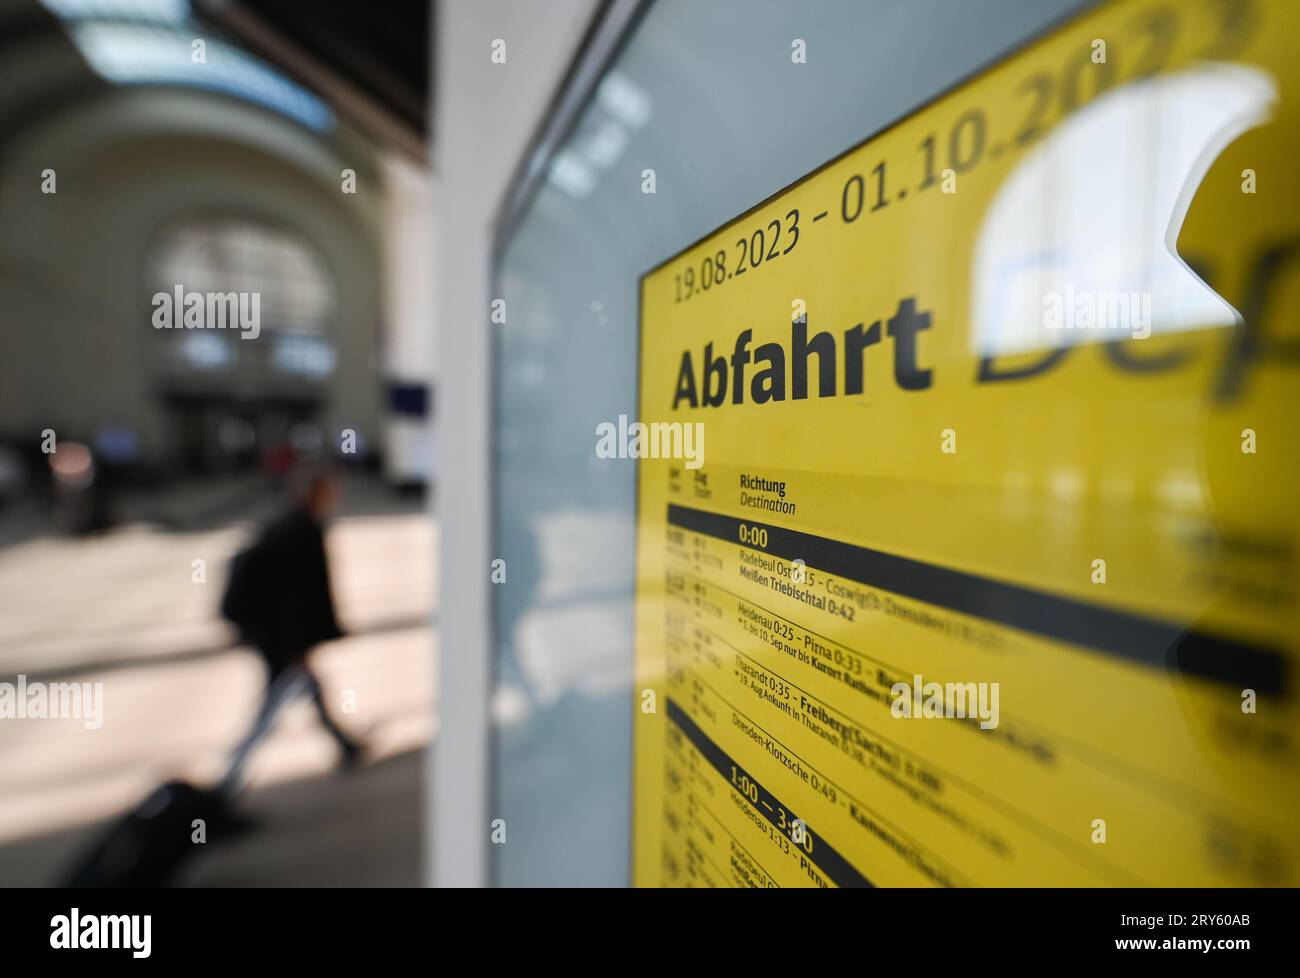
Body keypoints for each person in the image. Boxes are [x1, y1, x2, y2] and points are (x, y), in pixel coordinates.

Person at [221, 467, 364, 781]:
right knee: (276, 698)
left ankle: (344, 744)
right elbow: (295, 597)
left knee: (305, 686)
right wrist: (298, 643)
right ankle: (232, 770)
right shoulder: (301, 533)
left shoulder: (294, 526)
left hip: (271, 629)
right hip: (275, 632)